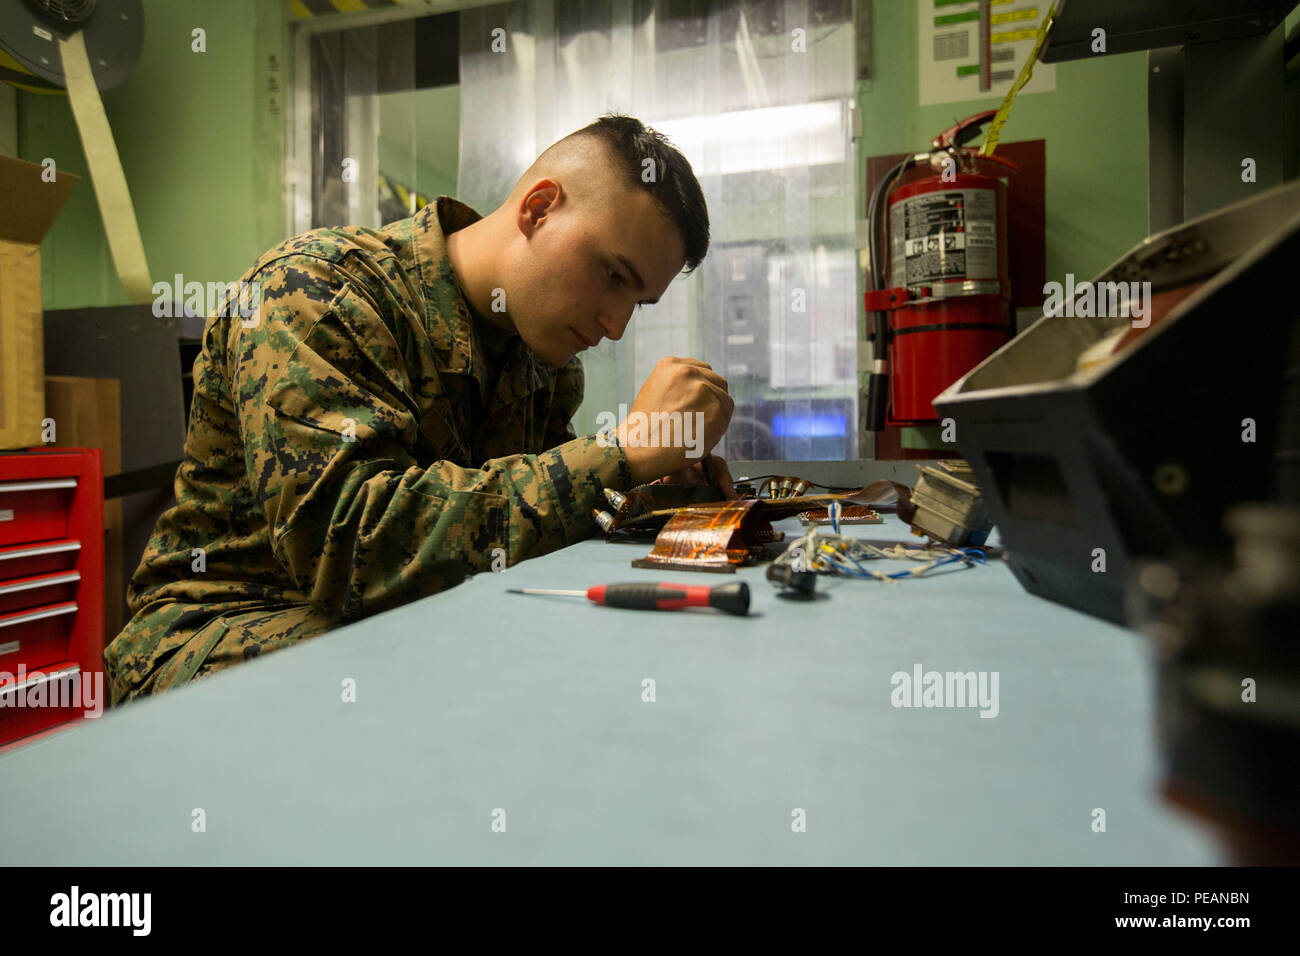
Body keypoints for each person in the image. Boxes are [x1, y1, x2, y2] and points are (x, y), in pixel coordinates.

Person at [103, 114, 735, 706]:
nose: (616, 326)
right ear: (539, 210)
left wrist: (647, 485)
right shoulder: (318, 293)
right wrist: (617, 453)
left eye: (638, 302)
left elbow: (530, 521)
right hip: (217, 630)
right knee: (492, 674)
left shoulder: (539, 357)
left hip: (380, 619)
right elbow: (350, 550)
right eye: (613, 276)